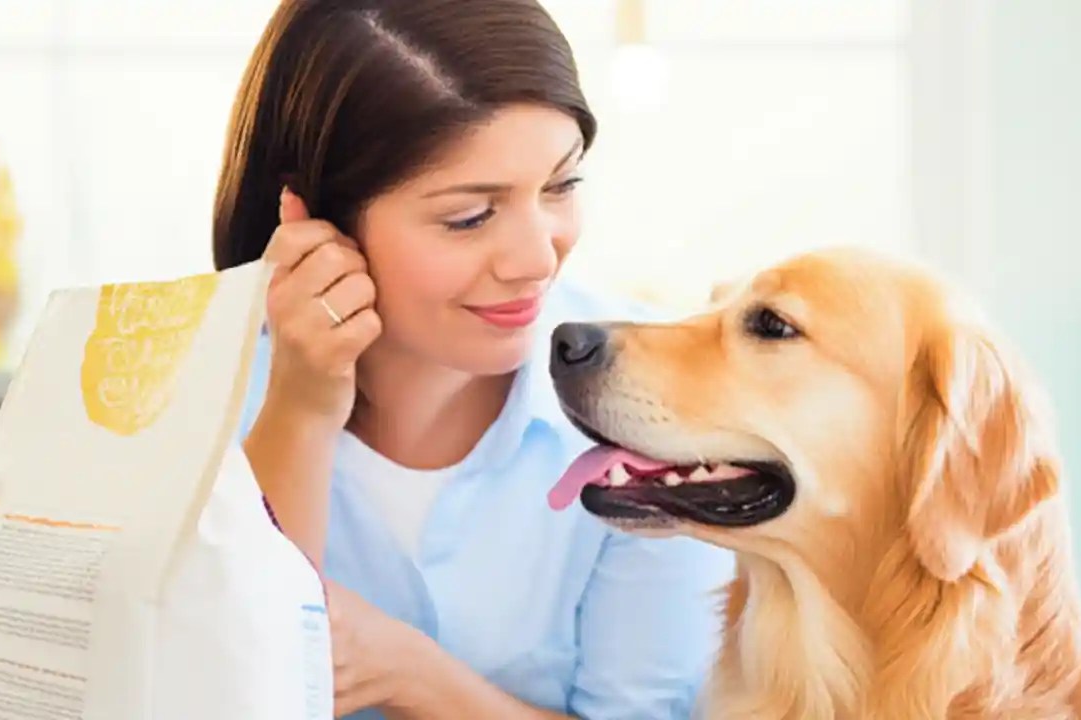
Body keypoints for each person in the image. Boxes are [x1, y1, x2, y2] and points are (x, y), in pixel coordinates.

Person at [212, 1, 734, 718]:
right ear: (316, 222)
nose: (534, 258)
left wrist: (413, 677)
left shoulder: (654, 397)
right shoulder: (195, 404)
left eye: (561, 186)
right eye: (469, 217)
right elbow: (223, 688)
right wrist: (300, 410)